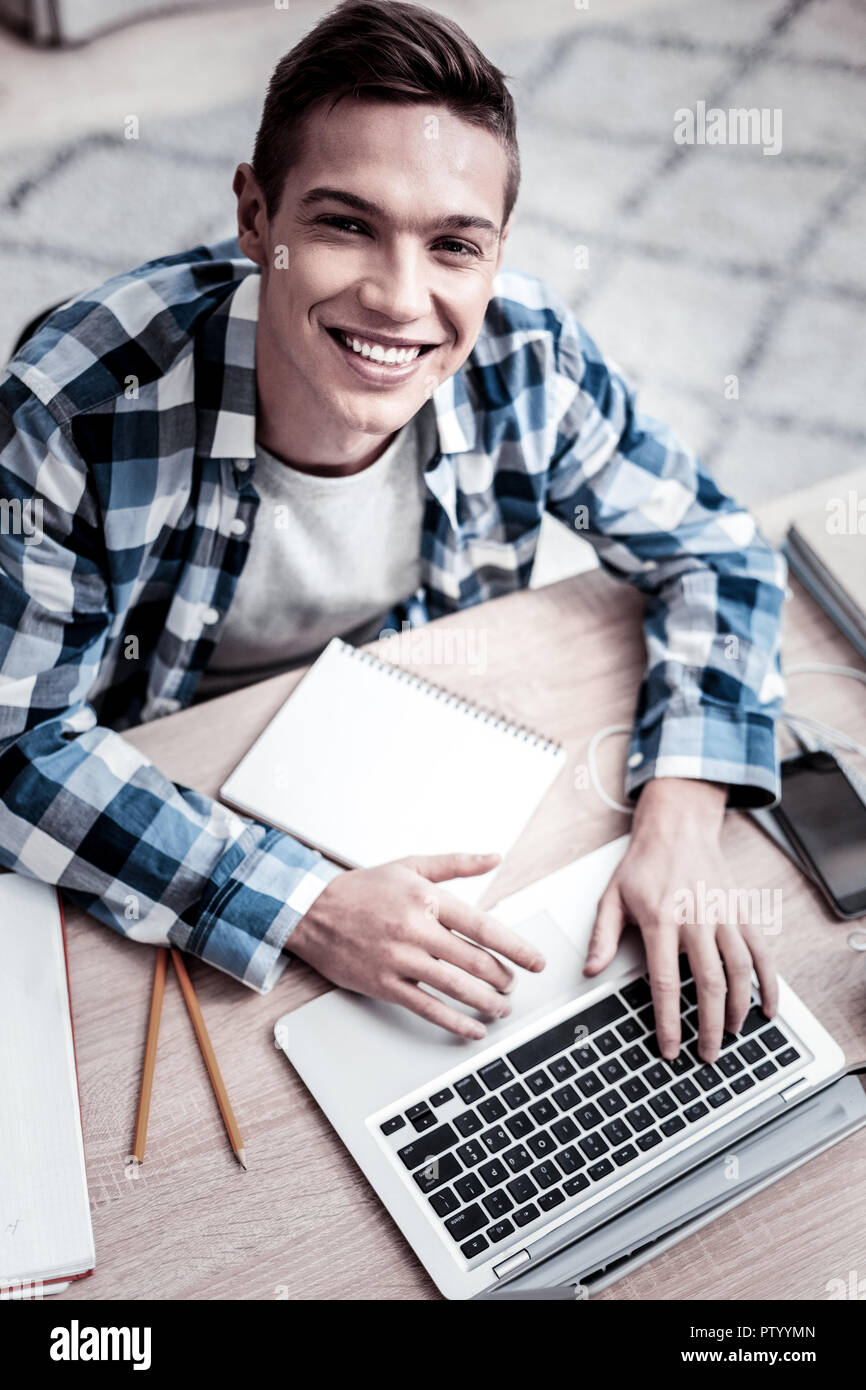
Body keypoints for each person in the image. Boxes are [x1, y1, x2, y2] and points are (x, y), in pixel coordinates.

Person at [0, 0, 786, 1062]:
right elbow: (17, 744)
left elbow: (716, 547)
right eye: (344, 224)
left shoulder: (529, 356)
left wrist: (682, 813)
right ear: (254, 217)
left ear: (496, 252)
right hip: (162, 765)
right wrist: (303, 905)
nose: (398, 299)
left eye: (453, 245)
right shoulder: (70, 403)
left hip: (392, 739)